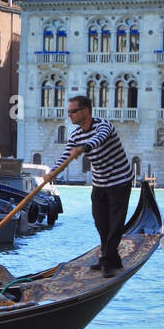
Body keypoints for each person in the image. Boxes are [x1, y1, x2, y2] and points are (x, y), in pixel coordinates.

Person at [44, 94, 134, 278]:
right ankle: (112, 257)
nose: (69, 115)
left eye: (73, 111)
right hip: (100, 183)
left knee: (115, 224)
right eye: (68, 112)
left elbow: (98, 140)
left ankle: (107, 261)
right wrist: (52, 172)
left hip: (120, 180)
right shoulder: (76, 134)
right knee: (101, 223)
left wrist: (83, 148)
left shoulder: (103, 125)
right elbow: (66, 156)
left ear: (85, 111)